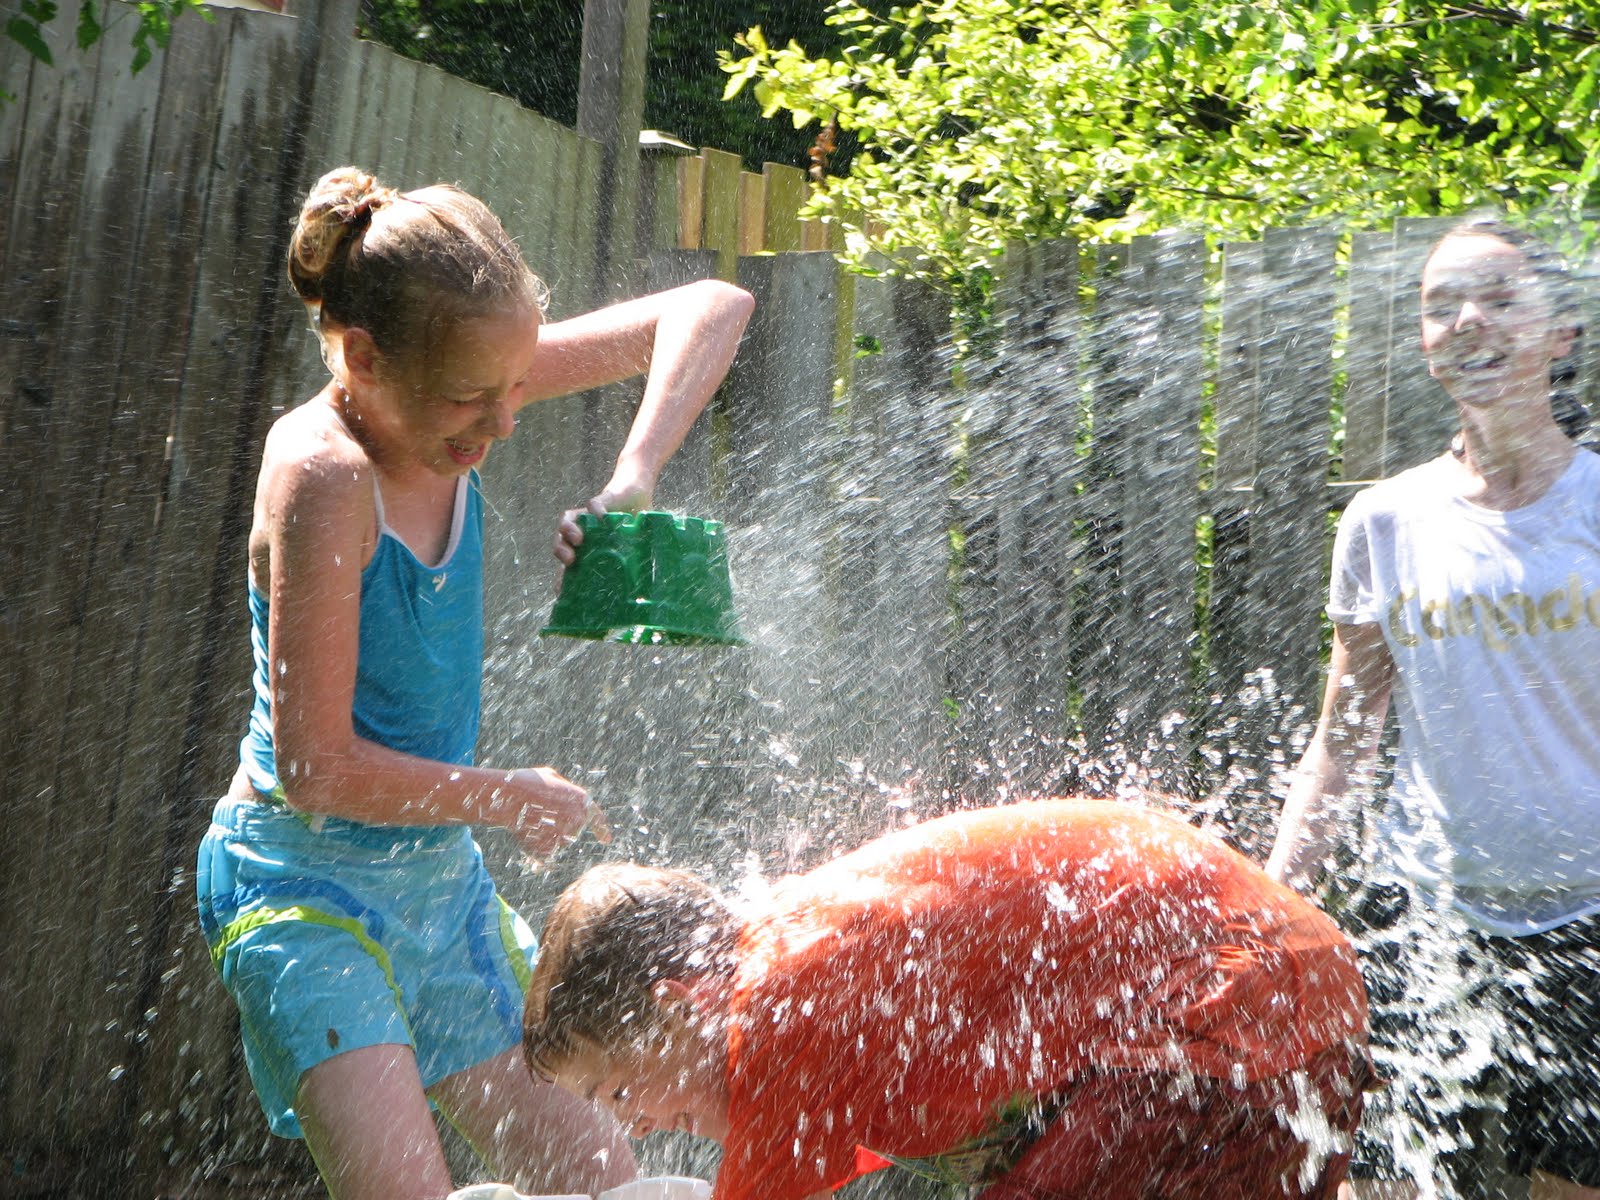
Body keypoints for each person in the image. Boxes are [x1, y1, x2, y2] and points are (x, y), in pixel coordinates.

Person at [195, 166, 755, 1200]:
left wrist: (630, 478)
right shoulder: (323, 476)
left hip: (437, 886)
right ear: (362, 357)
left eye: (513, 389)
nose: (501, 424)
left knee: (602, 1181)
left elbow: (713, 306)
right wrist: (505, 795)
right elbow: (316, 770)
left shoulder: (459, 382)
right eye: (472, 401)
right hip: (303, 891)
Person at [522, 797, 1372, 1200]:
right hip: (1285, 1001)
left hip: (1236, 1003)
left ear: (680, 1006)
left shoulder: (777, 1015)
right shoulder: (795, 980)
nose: (628, 1125)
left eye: (618, 1090)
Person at [1266, 216, 1600, 1200]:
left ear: (1561, 332)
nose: (1466, 321)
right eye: (1439, 306)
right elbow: (1341, 737)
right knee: (1397, 1183)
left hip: (1590, 918)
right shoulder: (1386, 521)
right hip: (1426, 915)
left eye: (1498, 300)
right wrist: (1273, 901)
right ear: (1421, 343)